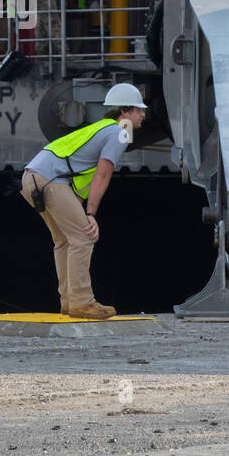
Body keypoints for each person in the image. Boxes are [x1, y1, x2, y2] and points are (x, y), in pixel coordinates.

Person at [19, 83, 148, 319]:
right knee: (84, 237)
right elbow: (102, 174)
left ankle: (69, 302)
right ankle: (82, 303)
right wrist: (91, 215)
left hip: (33, 178)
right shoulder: (119, 132)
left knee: (64, 241)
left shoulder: (101, 128)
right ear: (125, 112)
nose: (143, 115)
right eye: (139, 110)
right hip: (50, 180)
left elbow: (76, 174)